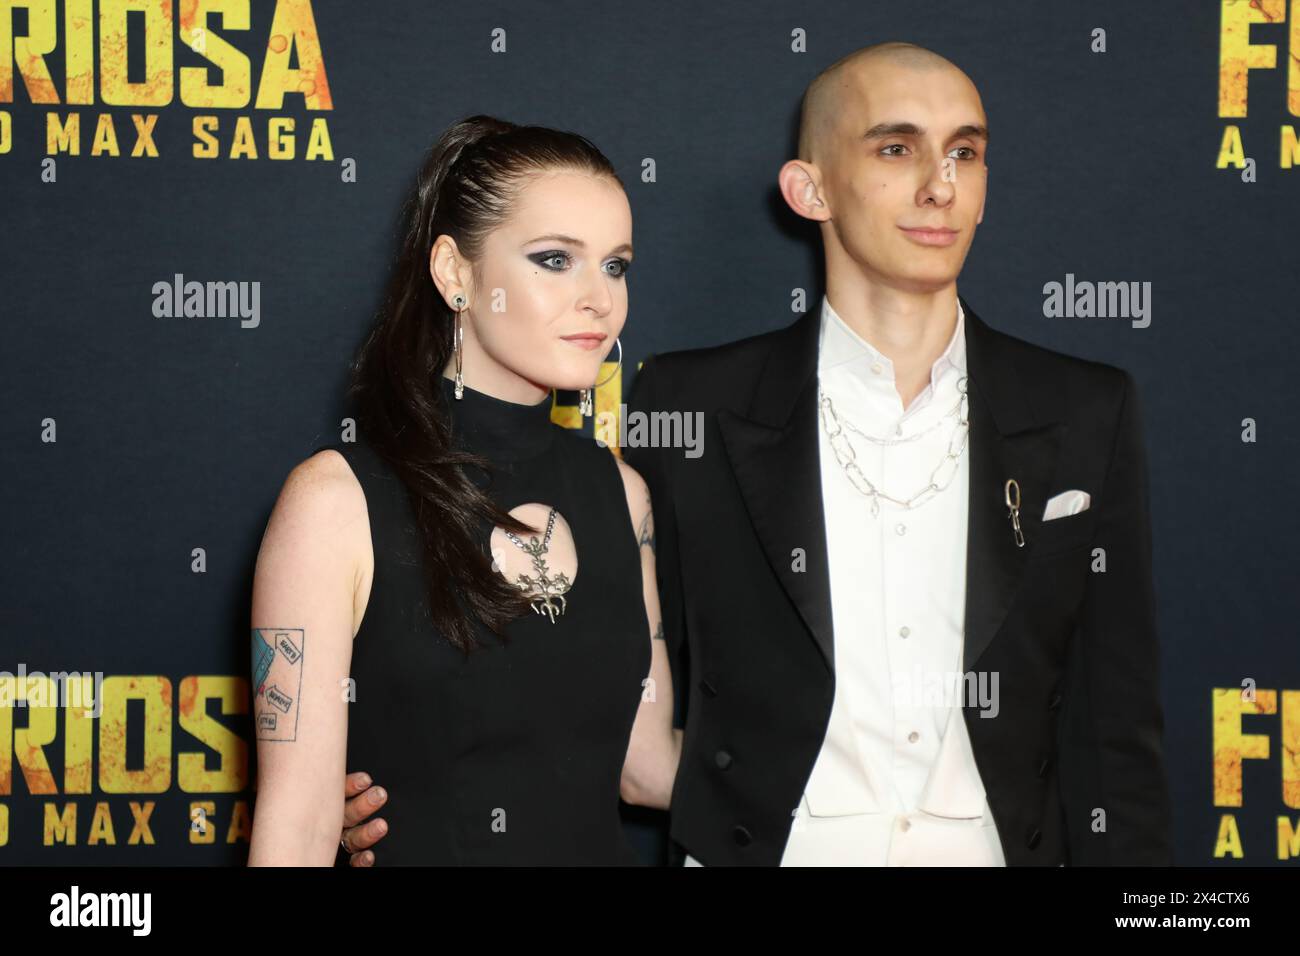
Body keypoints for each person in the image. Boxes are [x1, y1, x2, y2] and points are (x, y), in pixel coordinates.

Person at [344, 41, 1173, 867]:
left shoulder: (1084, 411)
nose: (940, 184)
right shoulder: (688, 408)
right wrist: (400, 786)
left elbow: (1115, 735)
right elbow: (590, 676)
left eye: (965, 151)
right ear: (808, 189)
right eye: (896, 147)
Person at [248, 116, 680, 866]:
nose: (600, 300)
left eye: (616, 266)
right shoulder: (335, 503)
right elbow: (298, 829)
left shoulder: (624, 494)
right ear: (454, 273)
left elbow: (648, 769)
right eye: (555, 260)